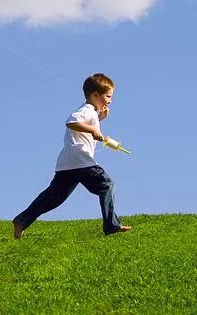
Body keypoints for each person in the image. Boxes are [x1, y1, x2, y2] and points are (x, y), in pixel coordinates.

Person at [12, 73, 131, 238]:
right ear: (95, 95)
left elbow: (84, 123)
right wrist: (93, 129)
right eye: (108, 96)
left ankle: (22, 221)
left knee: (54, 197)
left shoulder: (91, 112)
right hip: (80, 158)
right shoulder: (87, 109)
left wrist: (99, 119)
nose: (110, 100)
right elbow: (70, 121)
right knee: (106, 185)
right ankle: (111, 225)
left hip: (67, 163)